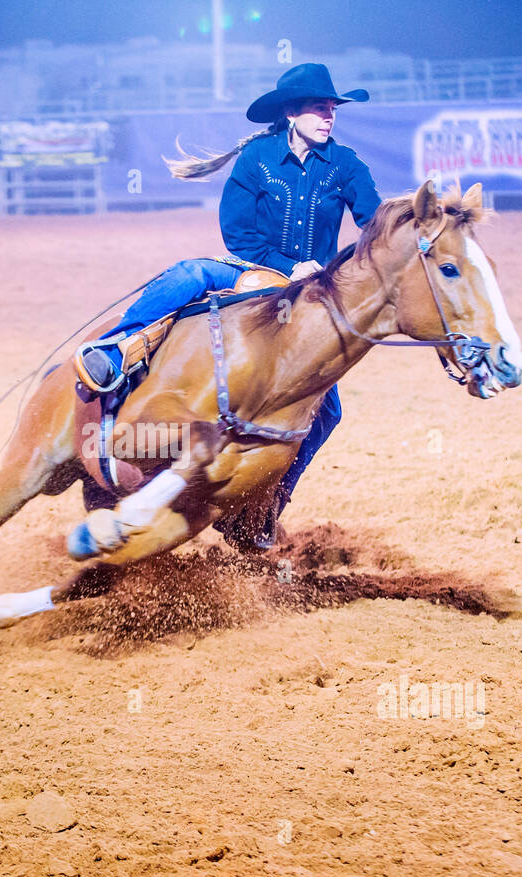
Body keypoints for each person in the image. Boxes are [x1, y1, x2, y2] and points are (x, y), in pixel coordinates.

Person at [74, 63, 382, 550]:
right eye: (320, 107)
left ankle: (268, 505)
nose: (329, 116)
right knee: (191, 273)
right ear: (292, 112)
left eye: (332, 108)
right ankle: (114, 351)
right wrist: (288, 266)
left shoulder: (346, 166)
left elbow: (375, 222)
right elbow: (237, 234)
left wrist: (409, 224)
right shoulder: (257, 159)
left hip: (311, 297)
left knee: (327, 413)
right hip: (253, 273)